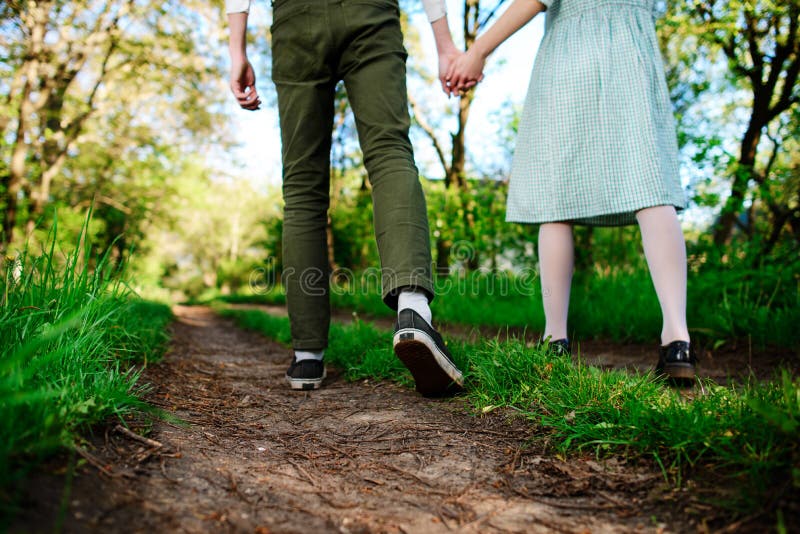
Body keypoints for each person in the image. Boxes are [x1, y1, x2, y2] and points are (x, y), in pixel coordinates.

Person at [443, 0, 697, 382]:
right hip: (635, 53)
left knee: (556, 196)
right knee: (649, 183)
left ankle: (555, 341)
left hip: (570, 54)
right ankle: (678, 340)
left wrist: (477, 52)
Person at [225, 0, 466, 395]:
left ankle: (307, 355)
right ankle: (414, 310)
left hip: (295, 21)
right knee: (390, 154)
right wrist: (444, 45)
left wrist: (237, 49)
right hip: (369, 13)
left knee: (302, 187)